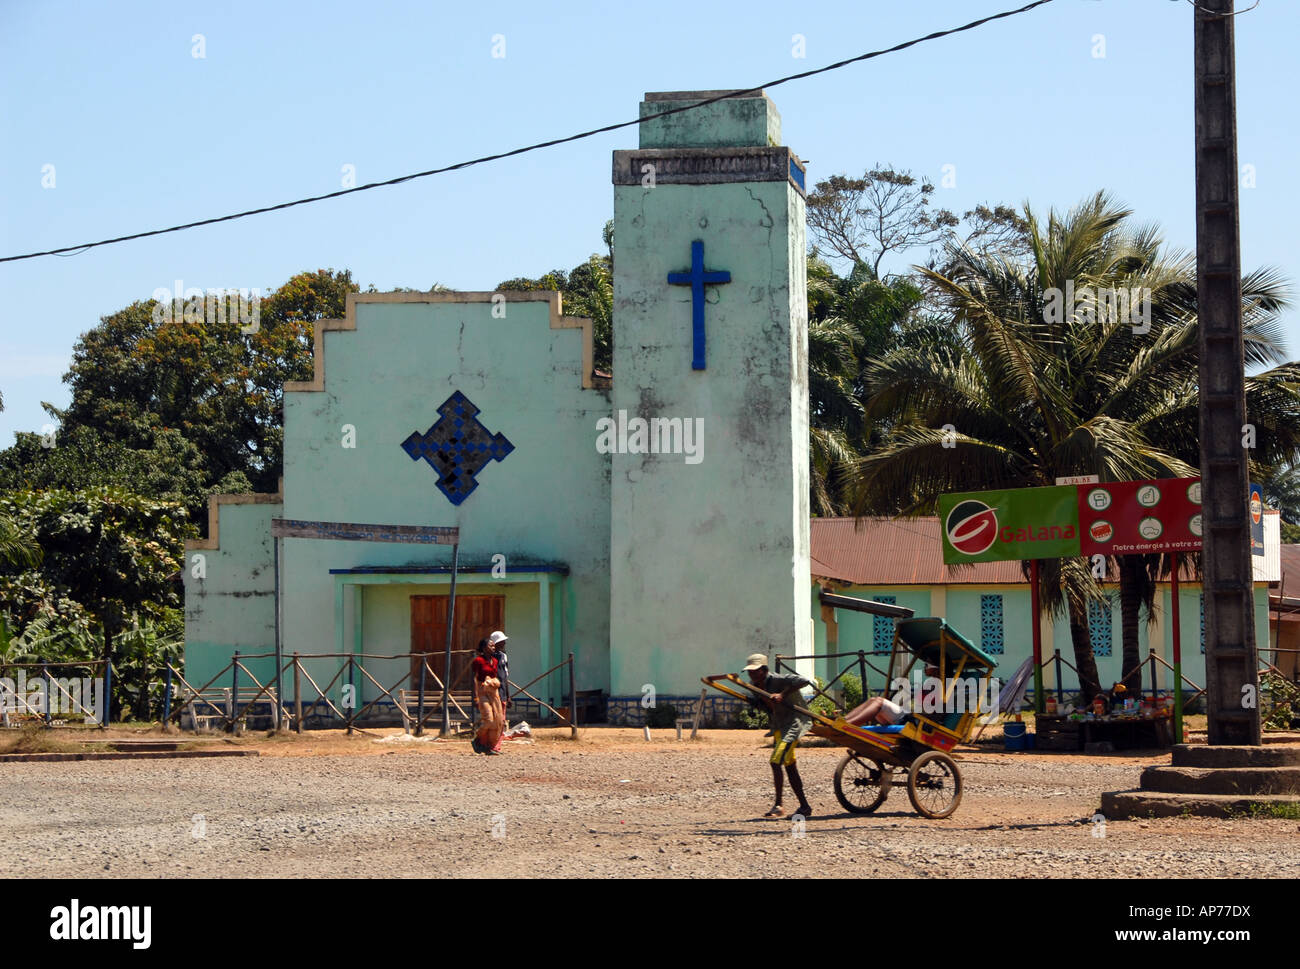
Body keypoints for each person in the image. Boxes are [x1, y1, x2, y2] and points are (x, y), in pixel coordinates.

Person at [711, 652, 814, 820]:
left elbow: (803, 681)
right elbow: (765, 705)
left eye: (755, 671)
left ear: (764, 670)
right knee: (789, 764)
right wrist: (756, 702)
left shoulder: (778, 679)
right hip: (780, 725)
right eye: (750, 672)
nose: (752, 675)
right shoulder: (755, 685)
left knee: (775, 761)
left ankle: (784, 805)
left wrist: (783, 694)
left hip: (794, 723)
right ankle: (800, 806)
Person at [471, 638, 505, 754]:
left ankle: (490, 746)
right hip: (482, 692)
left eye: (494, 646)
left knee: (497, 720)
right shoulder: (478, 661)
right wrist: (476, 697)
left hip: (493, 692)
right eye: (491, 646)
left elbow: (495, 676)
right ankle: (477, 739)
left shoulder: (495, 661)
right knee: (489, 720)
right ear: (484, 648)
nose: (494, 647)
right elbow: (475, 679)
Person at [487, 630, 510, 714]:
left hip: (502, 693)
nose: (504, 643)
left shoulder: (503, 656)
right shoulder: (488, 657)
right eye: (502, 641)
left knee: (501, 719)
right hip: (492, 695)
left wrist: (508, 696)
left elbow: (505, 677)